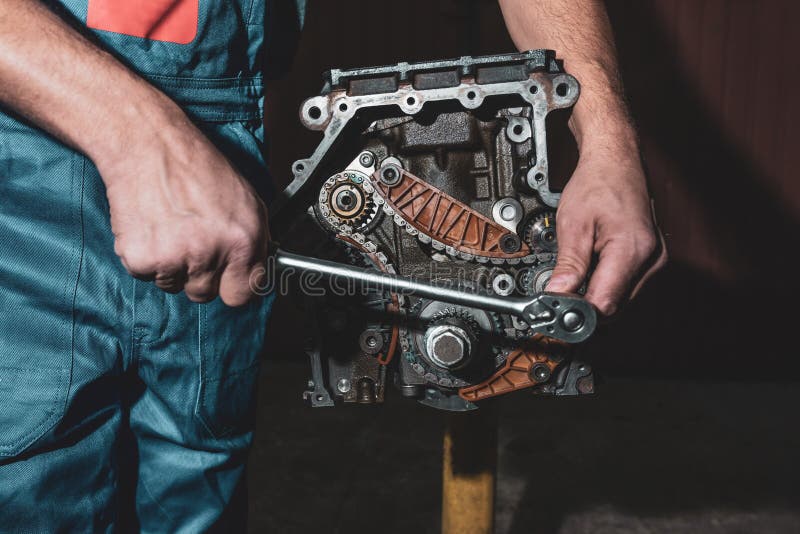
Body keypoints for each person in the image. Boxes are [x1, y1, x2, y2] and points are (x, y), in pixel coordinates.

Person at [0, 0, 665, 530]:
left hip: (226, 149)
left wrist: (609, 137)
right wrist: (138, 134)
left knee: (196, 493)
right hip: (29, 154)